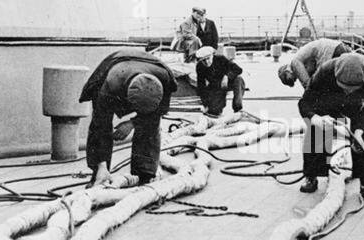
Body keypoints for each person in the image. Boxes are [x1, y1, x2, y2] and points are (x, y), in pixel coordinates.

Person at [79, 48, 176, 186]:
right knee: (100, 125)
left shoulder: (166, 80)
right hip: (116, 64)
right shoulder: (110, 85)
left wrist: (132, 123)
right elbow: (100, 125)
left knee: (150, 126)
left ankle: (144, 174)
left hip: (150, 66)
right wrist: (101, 165)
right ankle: (99, 173)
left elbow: (156, 114)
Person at [297, 53, 364, 197]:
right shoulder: (325, 71)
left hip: (357, 105)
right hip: (329, 100)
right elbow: (306, 102)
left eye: (351, 88)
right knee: (316, 130)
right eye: (344, 87)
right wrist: (315, 118)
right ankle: (311, 175)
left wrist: (359, 132)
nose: (347, 91)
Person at [277, 37, 348, 89]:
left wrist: (309, 96)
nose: (295, 79)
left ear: (287, 71)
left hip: (331, 52)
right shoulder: (302, 60)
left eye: (291, 79)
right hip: (338, 46)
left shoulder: (295, 62)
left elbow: (307, 84)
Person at [194, 45, 245, 116]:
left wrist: (227, 76)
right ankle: (217, 108)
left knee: (238, 79)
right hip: (216, 86)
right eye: (203, 60)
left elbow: (238, 69)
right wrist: (205, 104)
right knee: (214, 112)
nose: (206, 62)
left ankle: (238, 108)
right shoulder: (199, 66)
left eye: (208, 58)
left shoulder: (221, 59)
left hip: (228, 82)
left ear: (212, 56)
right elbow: (201, 86)